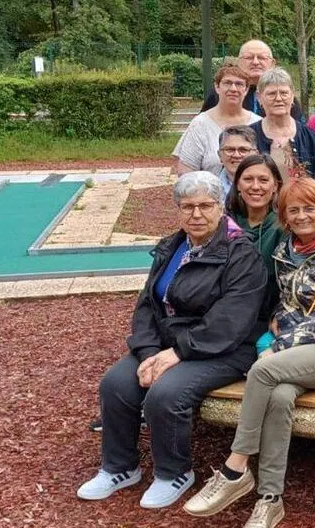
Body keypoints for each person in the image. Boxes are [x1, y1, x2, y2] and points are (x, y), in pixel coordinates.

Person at [184, 177, 315, 528]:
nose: (301, 216)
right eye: (293, 210)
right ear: (283, 215)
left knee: (263, 369)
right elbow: (285, 304)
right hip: (293, 351)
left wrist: (280, 345)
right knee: (280, 396)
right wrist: (282, 335)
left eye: (309, 208)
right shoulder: (286, 249)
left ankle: (235, 468)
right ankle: (270, 498)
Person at [76, 171, 268, 509]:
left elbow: (230, 321)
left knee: (165, 394)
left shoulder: (240, 253)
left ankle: (174, 473)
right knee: (115, 384)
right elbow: (147, 305)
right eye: (187, 206)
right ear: (178, 210)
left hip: (225, 349)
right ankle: (120, 467)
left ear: (220, 207)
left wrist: (176, 353)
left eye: (205, 206)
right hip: (169, 344)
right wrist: (150, 352)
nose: (196, 214)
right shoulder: (173, 246)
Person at [251, 68, 315, 200]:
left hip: (303, 214)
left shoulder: (311, 138)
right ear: (259, 97)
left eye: (284, 93)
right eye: (271, 94)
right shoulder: (249, 137)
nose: (278, 98)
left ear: (292, 96)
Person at [174, 63, 262, 174]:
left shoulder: (258, 123)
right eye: (227, 83)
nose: (233, 89)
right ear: (217, 87)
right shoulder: (200, 124)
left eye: (239, 84)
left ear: (246, 89)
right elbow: (186, 171)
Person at [226, 154, 285, 311]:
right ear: (237, 184)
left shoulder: (283, 227)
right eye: (248, 179)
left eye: (263, 180)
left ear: (275, 186)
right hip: (227, 305)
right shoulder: (225, 224)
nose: (256, 186)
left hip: (267, 310)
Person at [200, 39, 304, 120]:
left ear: (272, 63)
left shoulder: (282, 95)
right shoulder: (224, 92)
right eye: (249, 58)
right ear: (239, 62)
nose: (255, 62)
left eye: (262, 58)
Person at [216, 125, 258, 200]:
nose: (236, 155)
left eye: (243, 150)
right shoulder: (208, 189)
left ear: (256, 154)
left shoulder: (266, 188)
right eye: (229, 149)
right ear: (219, 155)